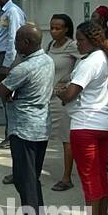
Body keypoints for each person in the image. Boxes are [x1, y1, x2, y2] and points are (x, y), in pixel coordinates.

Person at [53, 20, 108, 215]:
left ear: (91, 40)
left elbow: (71, 93)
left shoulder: (90, 61)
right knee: (100, 174)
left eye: (80, 40)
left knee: (89, 176)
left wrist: (60, 92)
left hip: (85, 124)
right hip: (105, 122)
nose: (78, 45)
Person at [0, 23, 55, 215]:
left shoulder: (24, 67)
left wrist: (10, 92)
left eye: (17, 41)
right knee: (32, 176)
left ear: (26, 43)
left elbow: (1, 89)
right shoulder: (47, 61)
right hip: (41, 126)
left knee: (24, 178)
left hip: (23, 127)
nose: (14, 44)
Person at [46, 14, 81, 193]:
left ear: (66, 29)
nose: (53, 31)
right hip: (47, 97)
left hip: (63, 99)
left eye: (58, 28)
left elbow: (84, 62)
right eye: (52, 27)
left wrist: (69, 79)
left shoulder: (73, 46)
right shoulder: (50, 45)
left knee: (66, 139)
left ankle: (66, 177)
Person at [0, 0, 26, 146]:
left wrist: (7, 64)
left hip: (8, 57)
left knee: (9, 97)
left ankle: (12, 136)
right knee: (5, 99)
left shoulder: (13, 12)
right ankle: (9, 134)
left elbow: (13, 38)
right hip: (2, 55)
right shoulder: (6, 12)